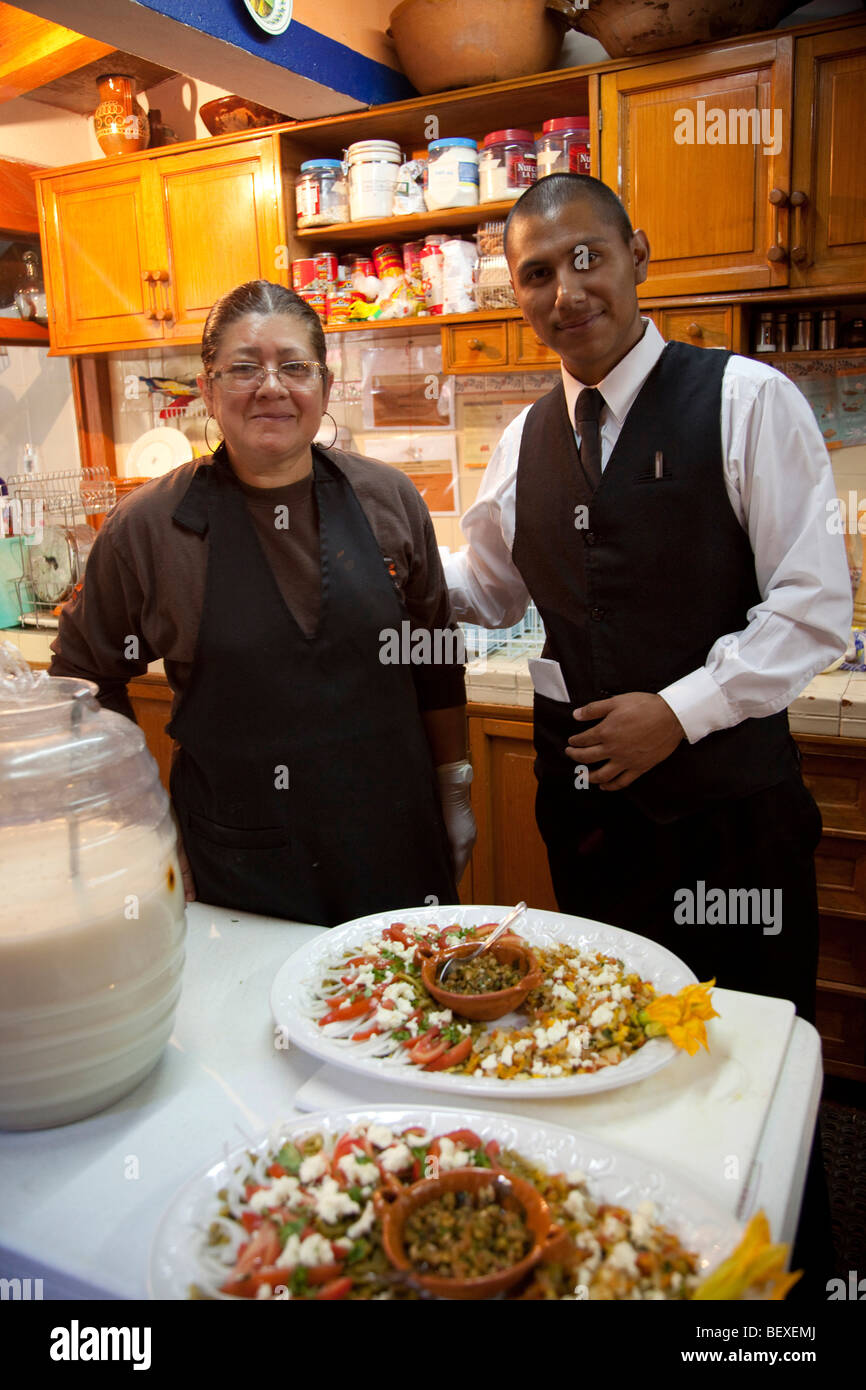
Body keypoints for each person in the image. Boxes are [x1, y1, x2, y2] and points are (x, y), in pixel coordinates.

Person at [445, 174, 851, 1297]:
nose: (565, 289)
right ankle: (645, 1277)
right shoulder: (525, 435)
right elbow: (484, 587)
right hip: (589, 828)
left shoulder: (745, 399)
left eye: (586, 258)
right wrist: (359, 541)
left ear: (636, 255)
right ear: (516, 291)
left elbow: (814, 603)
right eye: (536, 272)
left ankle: (785, 1299)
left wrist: (677, 711)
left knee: (749, 1076)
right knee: (617, 1064)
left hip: (728, 827)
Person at [50, 280, 475, 927]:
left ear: (325, 388)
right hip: (242, 861)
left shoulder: (388, 499)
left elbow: (436, 658)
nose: (271, 386)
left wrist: (454, 787)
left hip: (395, 844)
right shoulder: (149, 527)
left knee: (405, 1020)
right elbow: (82, 680)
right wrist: (142, 821)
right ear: (210, 389)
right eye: (244, 367)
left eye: (293, 366)